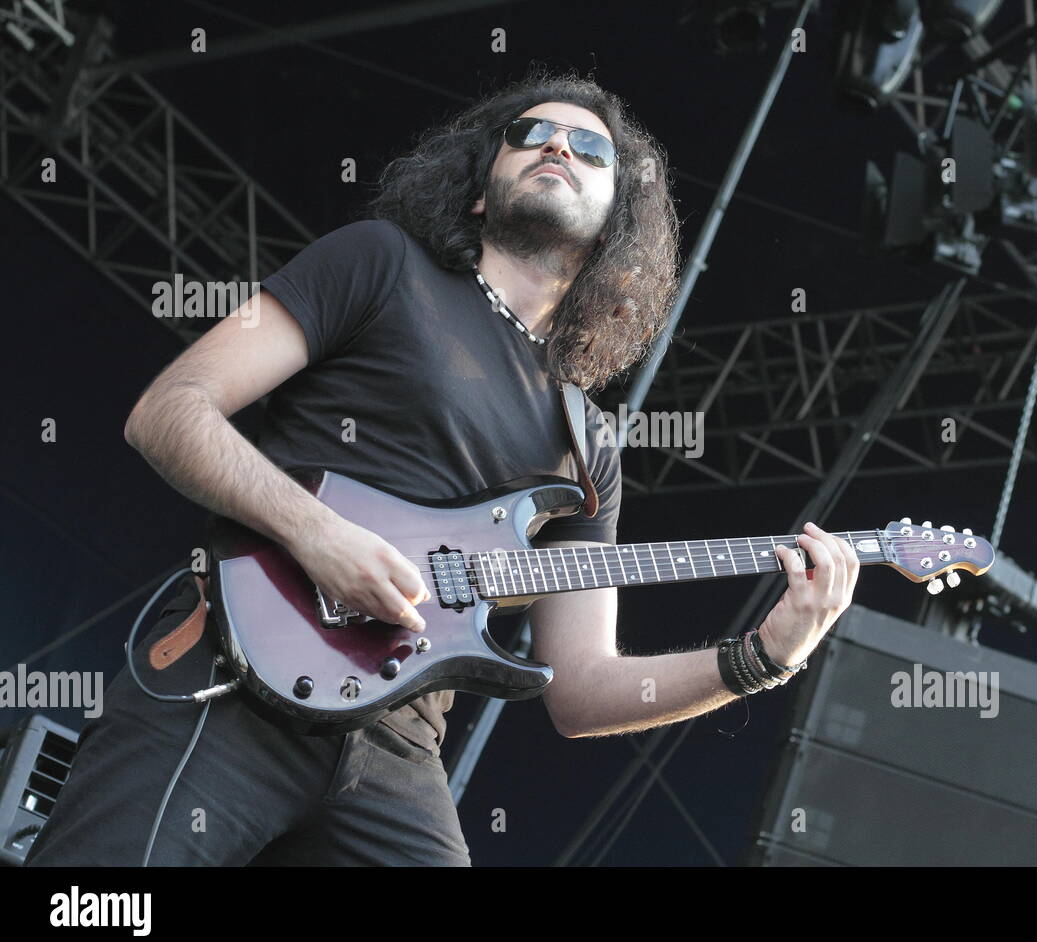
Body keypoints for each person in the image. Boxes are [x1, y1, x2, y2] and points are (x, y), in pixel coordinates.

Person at [24, 69, 860, 867]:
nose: (558, 148)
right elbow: (170, 410)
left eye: (590, 149)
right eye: (531, 134)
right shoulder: (379, 263)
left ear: (617, 230)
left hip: (397, 748)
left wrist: (763, 656)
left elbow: (581, 688)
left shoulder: (588, 440)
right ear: (477, 186)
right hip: (238, 671)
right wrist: (317, 536)